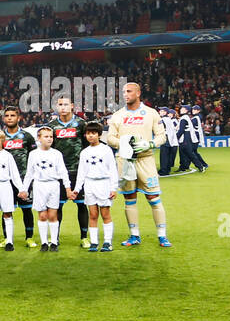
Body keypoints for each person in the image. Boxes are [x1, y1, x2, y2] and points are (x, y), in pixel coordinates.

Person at [107, 81, 169, 247]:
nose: (125, 94)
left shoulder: (150, 113)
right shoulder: (118, 115)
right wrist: (123, 144)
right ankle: (134, 235)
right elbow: (110, 138)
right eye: (124, 92)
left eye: (129, 91)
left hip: (145, 160)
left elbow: (162, 136)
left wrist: (149, 144)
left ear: (138, 93)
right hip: (125, 161)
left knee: (153, 197)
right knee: (129, 198)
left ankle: (162, 236)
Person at [19, 126, 72, 252]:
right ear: (39, 138)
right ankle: (43, 243)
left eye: (51, 137)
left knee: (53, 215)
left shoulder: (56, 154)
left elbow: (63, 172)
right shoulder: (33, 154)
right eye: (46, 136)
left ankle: (53, 242)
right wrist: (24, 189)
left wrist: (68, 188)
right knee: (42, 215)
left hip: (53, 185)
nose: (49, 139)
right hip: (39, 186)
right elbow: (29, 173)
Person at [46, 96, 89, 245]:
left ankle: (84, 238)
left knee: (82, 204)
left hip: (78, 171)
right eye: (60, 105)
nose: (63, 107)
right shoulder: (51, 126)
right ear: (56, 107)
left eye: (65, 104)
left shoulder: (81, 124)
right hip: (58, 172)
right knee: (57, 205)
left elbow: (86, 145)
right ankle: (55, 238)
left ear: (72, 106)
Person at [73, 124, 118, 252]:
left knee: (105, 214)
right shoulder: (84, 152)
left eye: (93, 133)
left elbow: (112, 169)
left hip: (104, 184)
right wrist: (77, 188)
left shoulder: (106, 150)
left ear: (99, 134)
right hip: (89, 184)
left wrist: (113, 188)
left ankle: (107, 242)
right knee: (92, 214)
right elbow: (81, 172)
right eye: (88, 133)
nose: (91, 135)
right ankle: (94, 242)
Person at [0, 107, 38, 248]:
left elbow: (34, 157)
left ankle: (29, 238)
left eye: (12, 115)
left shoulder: (26, 137)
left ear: (18, 118)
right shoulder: (0, 137)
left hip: (24, 179)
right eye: (7, 116)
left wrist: (31, 178)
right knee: (6, 210)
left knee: (26, 208)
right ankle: (6, 238)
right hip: (6, 180)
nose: (9, 118)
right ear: (4, 119)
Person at [178, 104, 209, 173]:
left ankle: (201, 165)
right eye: (193, 109)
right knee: (189, 152)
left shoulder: (196, 117)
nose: (193, 111)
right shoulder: (191, 117)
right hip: (191, 136)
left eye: (195, 110)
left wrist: (176, 137)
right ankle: (184, 166)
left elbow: (183, 129)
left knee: (191, 152)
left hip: (190, 137)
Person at [161, 106, 182, 176]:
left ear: (165, 112)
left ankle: (163, 171)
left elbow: (159, 127)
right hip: (171, 139)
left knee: (164, 155)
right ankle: (167, 169)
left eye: (161, 111)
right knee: (168, 155)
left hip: (166, 137)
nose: (160, 112)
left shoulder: (163, 119)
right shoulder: (168, 119)